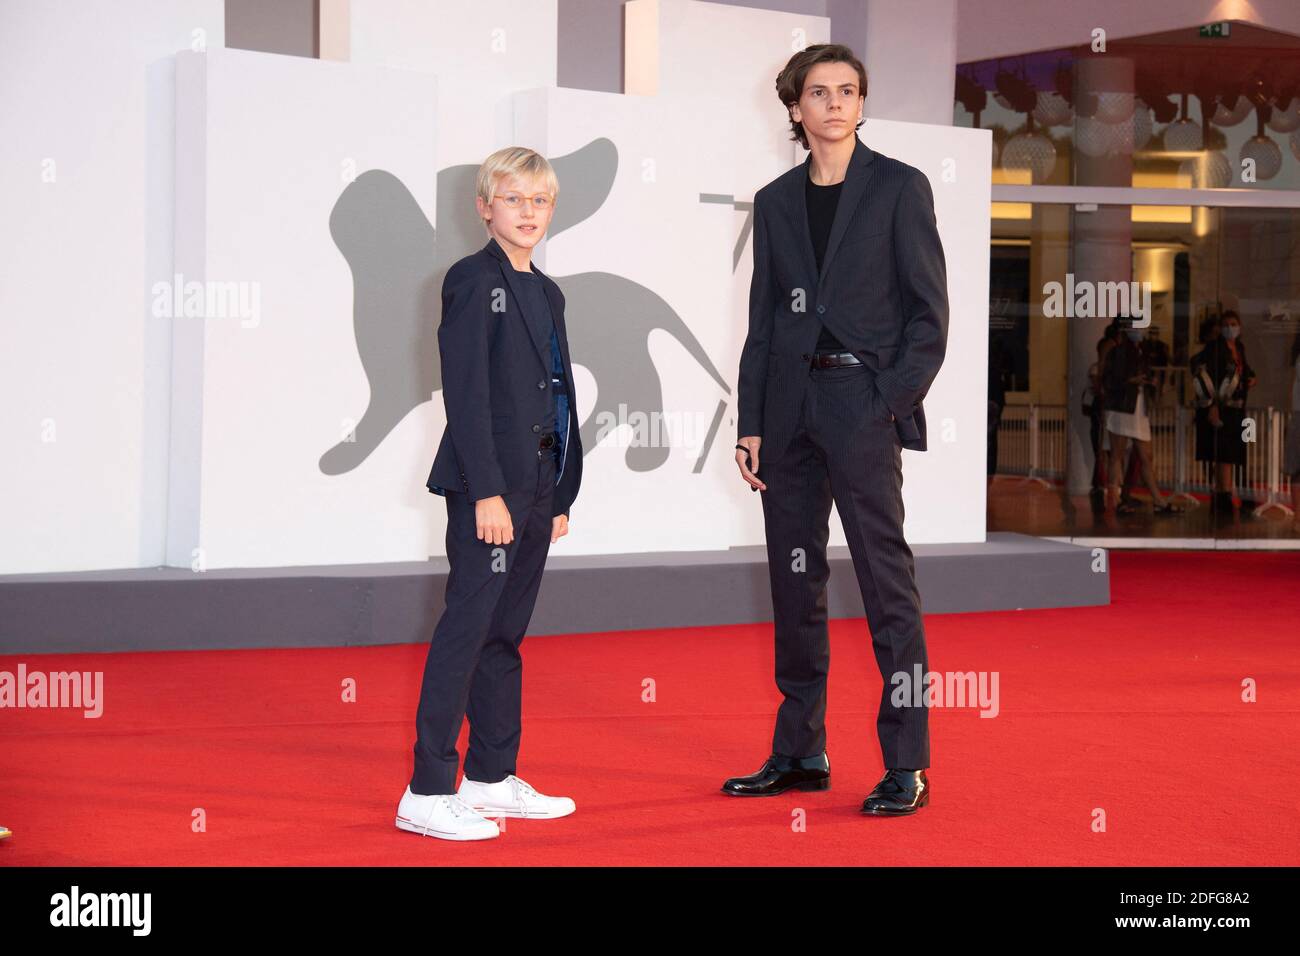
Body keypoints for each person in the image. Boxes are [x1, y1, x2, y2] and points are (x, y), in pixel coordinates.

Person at [729, 44, 948, 816]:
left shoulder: (899, 188)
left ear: (860, 103)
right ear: (795, 108)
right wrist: (751, 422)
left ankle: (907, 763)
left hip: (861, 404)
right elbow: (762, 323)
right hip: (787, 412)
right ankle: (800, 750)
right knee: (795, 585)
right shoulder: (778, 201)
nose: (833, 104)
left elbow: (930, 317)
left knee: (888, 585)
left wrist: (886, 400)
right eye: (818, 93)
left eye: (847, 91)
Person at [397, 147, 583, 841]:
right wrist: (488, 493)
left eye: (539, 201)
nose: (527, 212)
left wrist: (561, 491)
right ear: (485, 207)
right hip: (492, 490)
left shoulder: (549, 291)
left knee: (506, 635)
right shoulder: (472, 281)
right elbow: (467, 395)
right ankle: (426, 789)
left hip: (539, 488)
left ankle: (490, 777)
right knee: (466, 631)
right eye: (513, 199)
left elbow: (559, 393)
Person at [1102, 317, 1176, 514]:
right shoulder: (1118, 351)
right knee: (1117, 455)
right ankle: (1115, 500)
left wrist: (1151, 384)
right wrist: (1131, 381)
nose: (1140, 331)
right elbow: (1109, 380)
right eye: (1136, 327)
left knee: (1146, 456)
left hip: (1137, 408)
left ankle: (1158, 500)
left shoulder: (1142, 352)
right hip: (1121, 407)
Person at [1191, 309, 1256, 518]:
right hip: (1221, 408)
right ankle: (1224, 495)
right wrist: (1212, 405)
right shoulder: (1215, 349)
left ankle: (1229, 495)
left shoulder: (1240, 348)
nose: (1230, 328)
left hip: (1238, 409)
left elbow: (1246, 371)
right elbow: (1203, 374)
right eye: (1226, 324)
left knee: (1234, 452)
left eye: (1233, 323)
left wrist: (1251, 378)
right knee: (1223, 455)